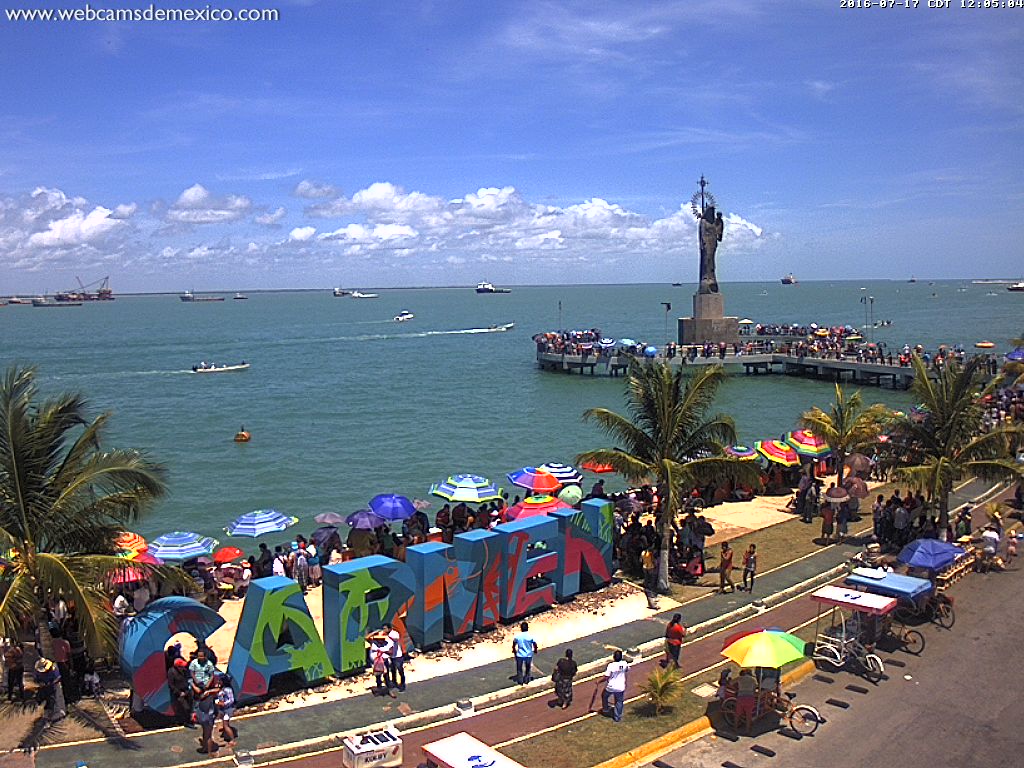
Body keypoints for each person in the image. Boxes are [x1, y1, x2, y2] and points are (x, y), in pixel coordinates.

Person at [33, 658, 66, 722]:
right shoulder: (38, 669)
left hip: (54, 685)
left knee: (57, 698)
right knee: (43, 698)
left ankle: (59, 712)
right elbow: (36, 678)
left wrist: (49, 683)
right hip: (44, 686)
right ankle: (47, 711)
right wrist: (39, 682)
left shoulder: (53, 669)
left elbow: (57, 678)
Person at [600, 649, 628, 723]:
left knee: (604, 696)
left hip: (611, 686)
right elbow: (627, 669)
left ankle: (605, 709)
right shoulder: (624, 663)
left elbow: (606, 677)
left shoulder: (611, 665)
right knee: (619, 701)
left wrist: (599, 681)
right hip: (620, 687)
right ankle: (617, 717)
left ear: (614, 657)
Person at [167, 657, 193, 727]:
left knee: (190, 706)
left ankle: (188, 720)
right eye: (181, 667)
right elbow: (171, 685)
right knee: (184, 707)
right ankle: (184, 721)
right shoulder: (171, 672)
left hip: (186, 691)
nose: (183, 668)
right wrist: (179, 693)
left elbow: (187, 679)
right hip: (179, 693)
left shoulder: (184, 671)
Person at [368, 632, 394, 697]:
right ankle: (379, 689)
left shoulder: (388, 643)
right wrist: (374, 633)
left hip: (385, 661)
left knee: (386, 676)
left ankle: (389, 690)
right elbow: (367, 637)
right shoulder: (374, 643)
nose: (380, 640)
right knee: (378, 676)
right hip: (377, 662)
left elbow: (391, 651)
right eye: (379, 638)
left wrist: (383, 651)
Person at [214, 672, 237, 742]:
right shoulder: (221, 688)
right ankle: (226, 733)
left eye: (220, 680)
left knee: (226, 725)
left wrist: (224, 703)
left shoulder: (227, 689)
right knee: (223, 722)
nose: (218, 681)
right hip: (223, 709)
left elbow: (231, 700)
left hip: (228, 709)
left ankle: (232, 740)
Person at [734, 668, 757, 734]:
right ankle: (747, 730)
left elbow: (731, 682)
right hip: (750, 698)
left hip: (741, 697)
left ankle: (735, 728)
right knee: (748, 715)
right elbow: (754, 689)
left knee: (737, 714)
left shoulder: (740, 678)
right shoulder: (753, 680)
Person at [385, 622, 406, 692]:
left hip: (398, 656)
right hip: (391, 656)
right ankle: (394, 682)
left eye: (385, 628)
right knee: (393, 670)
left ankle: (403, 684)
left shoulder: (394, 633)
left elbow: (396, 638)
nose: (384, 630)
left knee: (400, 670)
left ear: (389, 628)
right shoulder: (385, 636)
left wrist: (388, 637)